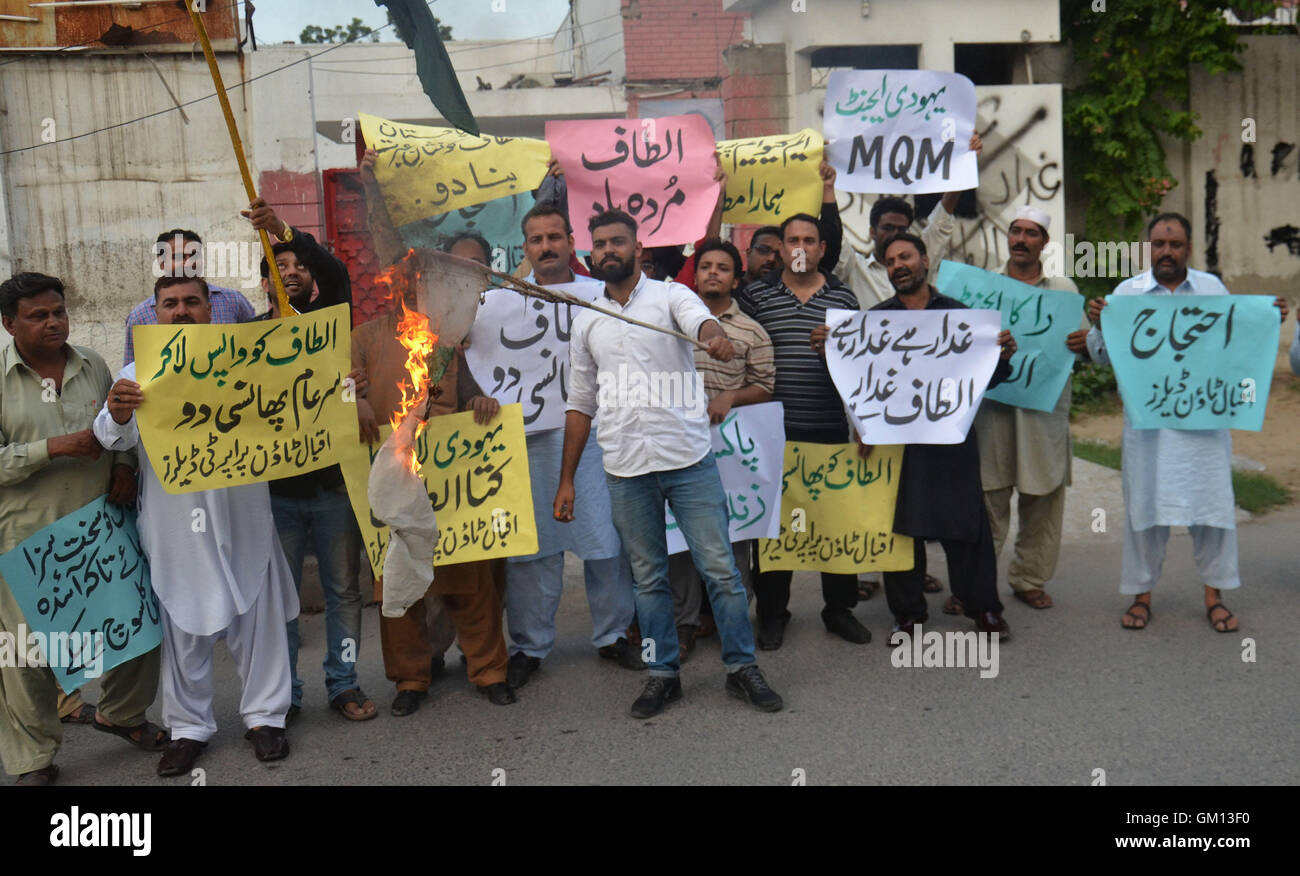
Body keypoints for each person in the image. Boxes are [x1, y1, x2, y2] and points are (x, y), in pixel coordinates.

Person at [555, 209, 783, 719]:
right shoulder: (588, 319)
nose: (610, 250)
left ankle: (741, 668)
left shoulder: (670, 296)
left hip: (688, 459)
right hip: (625, 467)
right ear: (593, 255)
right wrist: (566, 479)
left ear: (639, 249)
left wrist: (713, 336)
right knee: (647, 579)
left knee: (721, 570)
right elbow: (579, 402)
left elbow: (698, 320)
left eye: (619, 242)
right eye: (602, 244)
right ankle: (663, 676)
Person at [95, 275, 299, 776]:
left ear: (211, 308)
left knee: (258, 614)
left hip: (244, 510)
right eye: (171, 304)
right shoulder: (135, 372)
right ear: (155, 312)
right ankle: (188, 729)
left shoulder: (250, 357)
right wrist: (120, 414)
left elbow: (298, 402)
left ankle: (266, 718)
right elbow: (110, 437)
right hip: (175, 524)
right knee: (183, 624)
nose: (182, 311)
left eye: (192, 301)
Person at [357, 148, 514, 712]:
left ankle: (489, 670)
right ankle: (410, 679)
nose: (411, 288)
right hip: (391, 480)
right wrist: (354, 404)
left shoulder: (449, 340)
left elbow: (473, 394)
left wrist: (482, 405)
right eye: (404, 280)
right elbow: (339, 392)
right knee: (399, 585)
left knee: (470, 578)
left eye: (420, 281)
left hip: (453, 479)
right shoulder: (367, 336)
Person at [1085, 213, 1288, 632]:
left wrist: (1269, 320)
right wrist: (1097, 323)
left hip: (1205, 427)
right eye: (1159, 243)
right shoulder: (1128, 293)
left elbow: (1237, 347)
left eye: (1174, 244)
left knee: (1212, 510)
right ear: (1149, 248)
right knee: (1144, 510)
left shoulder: (1212, 290)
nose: (1166, 251)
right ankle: (1142, 596)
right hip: (1148, 429)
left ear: (1188, 249)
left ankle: (1215, 596)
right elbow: (1103, 356)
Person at [0, 273, 165, 786]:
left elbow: (120, 430)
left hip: (100, 525)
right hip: (27, 534)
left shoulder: (92, 364)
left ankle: (121, 715)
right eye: (38, 315)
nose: (54, 322)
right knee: (27, 654)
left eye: (59, 311)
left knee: (137, 626)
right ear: (8, 323)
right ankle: (34, 759)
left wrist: (123, 468)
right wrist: (54, 447)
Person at [473, 203, 642, 691]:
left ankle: (613, 635)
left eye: (554, 237)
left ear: (571, 243)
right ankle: (529, 646)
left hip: (597, 438)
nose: (545, 247)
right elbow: (465, 357)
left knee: (606, 542)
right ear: (523, 249)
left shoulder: (602, 297)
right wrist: (475, 393)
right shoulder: (496, 305)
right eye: (535, 239)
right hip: (526, 441)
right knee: (531, 549)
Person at [241, 199, 375, 723]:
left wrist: (280, 230)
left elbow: (336, 270)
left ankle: (343, 683)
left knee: (344, 591)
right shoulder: (247, 340)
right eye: (280, 267)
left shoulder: (327, 321)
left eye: (299, 266)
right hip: (276, 494)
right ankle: (286, 692)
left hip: (334, 486)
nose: (291, 272)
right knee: (283, 598)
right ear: (266, 284)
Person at [845, 234, 1015, 641]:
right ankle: (908, 615)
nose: (898, 265)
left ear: (924, 260)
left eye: (905, 256)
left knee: (967, 525)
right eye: (890, 261)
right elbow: (860, 380)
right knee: (902, 528)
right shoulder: (876, 320)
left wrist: (1002, 355)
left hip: (950, 437)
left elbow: (986, 379)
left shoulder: (959, 316)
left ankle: (984, 609)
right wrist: (829, 350)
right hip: (896, 441)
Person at [739, 213, 868, 649]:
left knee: (834, 523)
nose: (799, 247)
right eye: (791, 240)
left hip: (828, 428)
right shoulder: (756, 295)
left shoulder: (845, 300)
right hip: (771, 431)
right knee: (773, 528)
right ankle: (773, 614)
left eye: (808, 240)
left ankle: (839, 610)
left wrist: (862, 421)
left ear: (821, 249)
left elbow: (861, 371)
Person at [968, 205, 1089, 611]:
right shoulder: (982, 292)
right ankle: (973, 584)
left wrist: (1084, 346)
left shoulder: (1065, 292)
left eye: (1030, 233)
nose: (1020, 239)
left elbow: (1089, 350)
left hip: (1043, 413)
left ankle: (1028, 578)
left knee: (1044, 498)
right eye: (1015, 231)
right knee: (987, 500)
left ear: (1044, 242)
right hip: (993, 411)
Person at [668, 239, 774, 662]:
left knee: (732, 539)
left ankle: (730, 622)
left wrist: (731, 397)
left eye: (723, 267)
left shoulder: (752, 331)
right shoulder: (670, 323)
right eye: (706, 266)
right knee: (678, 540)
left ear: (736, 277)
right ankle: (683, 624)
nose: (713, 273)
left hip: (732, 454)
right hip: (677, 446)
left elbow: (765, 386)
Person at [833, 135, 984, 309]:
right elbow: (834, 233)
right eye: (888, 228)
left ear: (925, 261)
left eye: (901, 229)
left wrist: (964, 163)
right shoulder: (855, 268)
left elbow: (941, 221)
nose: (895, 234)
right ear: (872, 232)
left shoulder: (919, 257)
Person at [122, 228, 256, 365]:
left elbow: (257, 348)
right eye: (178, 257)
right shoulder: (139, 316)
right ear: (161, 263)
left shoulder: (233, 301)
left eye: (193, 256)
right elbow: (132, 371)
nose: (188, 263)